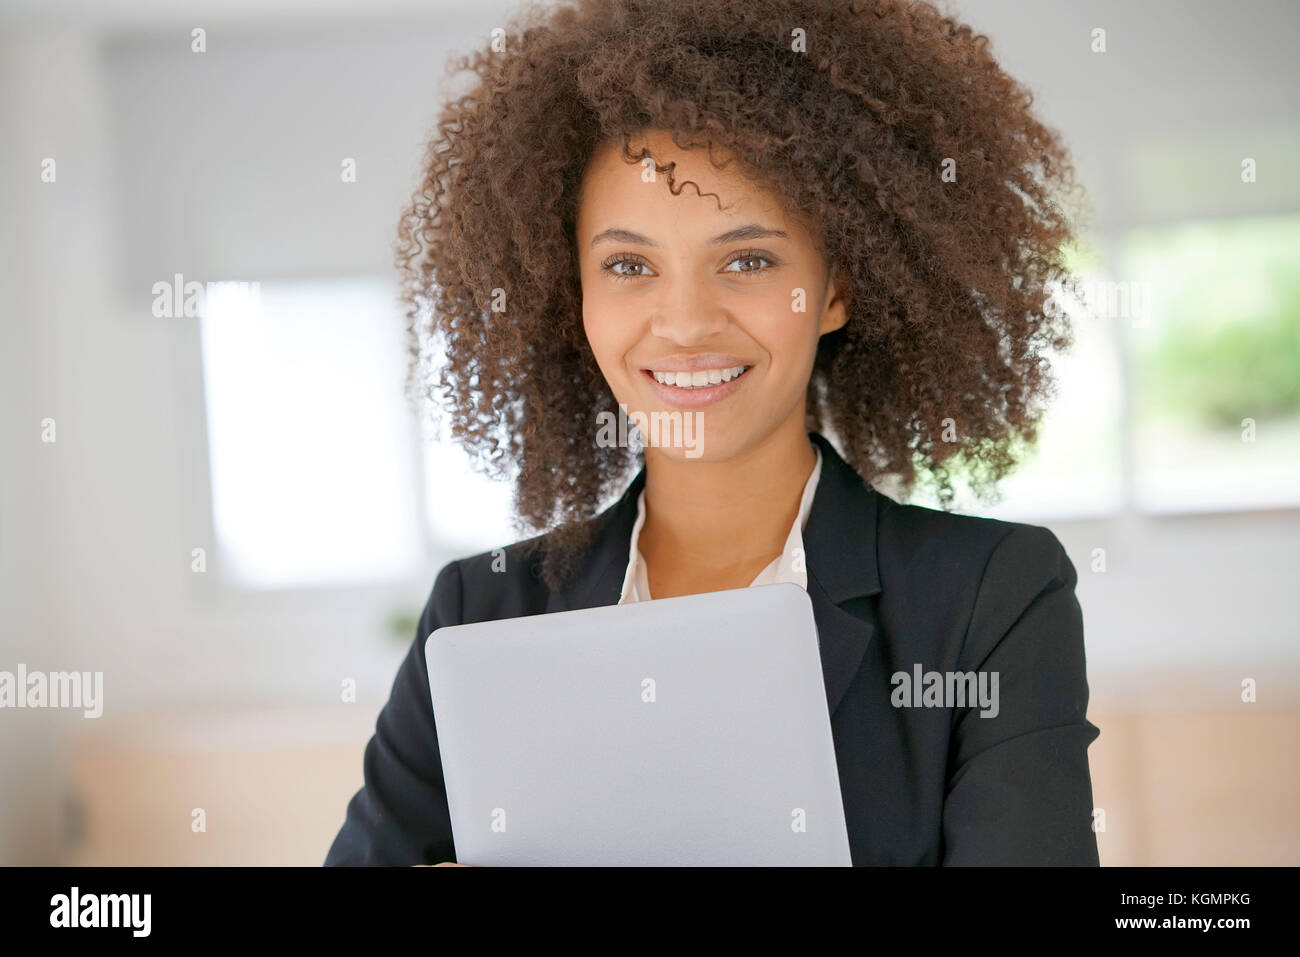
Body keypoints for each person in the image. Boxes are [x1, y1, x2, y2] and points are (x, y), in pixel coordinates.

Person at [325, 0, 1099, 866]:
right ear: (569, 293)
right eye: (628, 265)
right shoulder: (480, 615)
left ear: (837, 288)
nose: (685, 323)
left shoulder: (989, 601)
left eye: (748, 259)